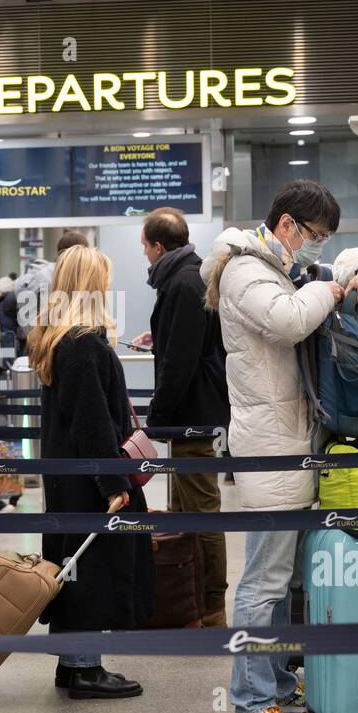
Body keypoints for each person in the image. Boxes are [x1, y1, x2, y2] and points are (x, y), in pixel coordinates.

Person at [202, 179, 358, 713]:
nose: (319, 249)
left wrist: (356, 276)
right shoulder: (245, 272)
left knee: (281, 582)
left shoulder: (274, 267)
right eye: (316, 236)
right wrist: (332, 290)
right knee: (263, 582)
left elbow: (319, 290)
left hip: (290, 443)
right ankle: (250, 703)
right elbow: (287, 320)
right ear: (286, 226)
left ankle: (276, 688)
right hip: (269, 446)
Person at [29, 245, 157, 699]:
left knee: (72, 565)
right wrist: (113, 483)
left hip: (67, 474)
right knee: (91, 567)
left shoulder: (56, 337)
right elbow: (92, 420)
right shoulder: (83, 342)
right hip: (88, 478)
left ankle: (71, 662)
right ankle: (85, 667)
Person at [140, 208, 231, 627]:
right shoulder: (188, 276)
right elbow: (184, 341)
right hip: (196, 412)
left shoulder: (182, 282)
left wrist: (156, 417)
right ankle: (194, 600)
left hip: (193, 415)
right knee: (189, 508)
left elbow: (181, 361)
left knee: (200, 512)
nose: (145, 256)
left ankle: (211, 605)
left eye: (145, 247)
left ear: (158, 246)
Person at [5, 231, 89, 354]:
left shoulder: (39, 276)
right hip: (59, 347)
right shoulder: (60, 279)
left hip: (37, 346)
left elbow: (10, 306)